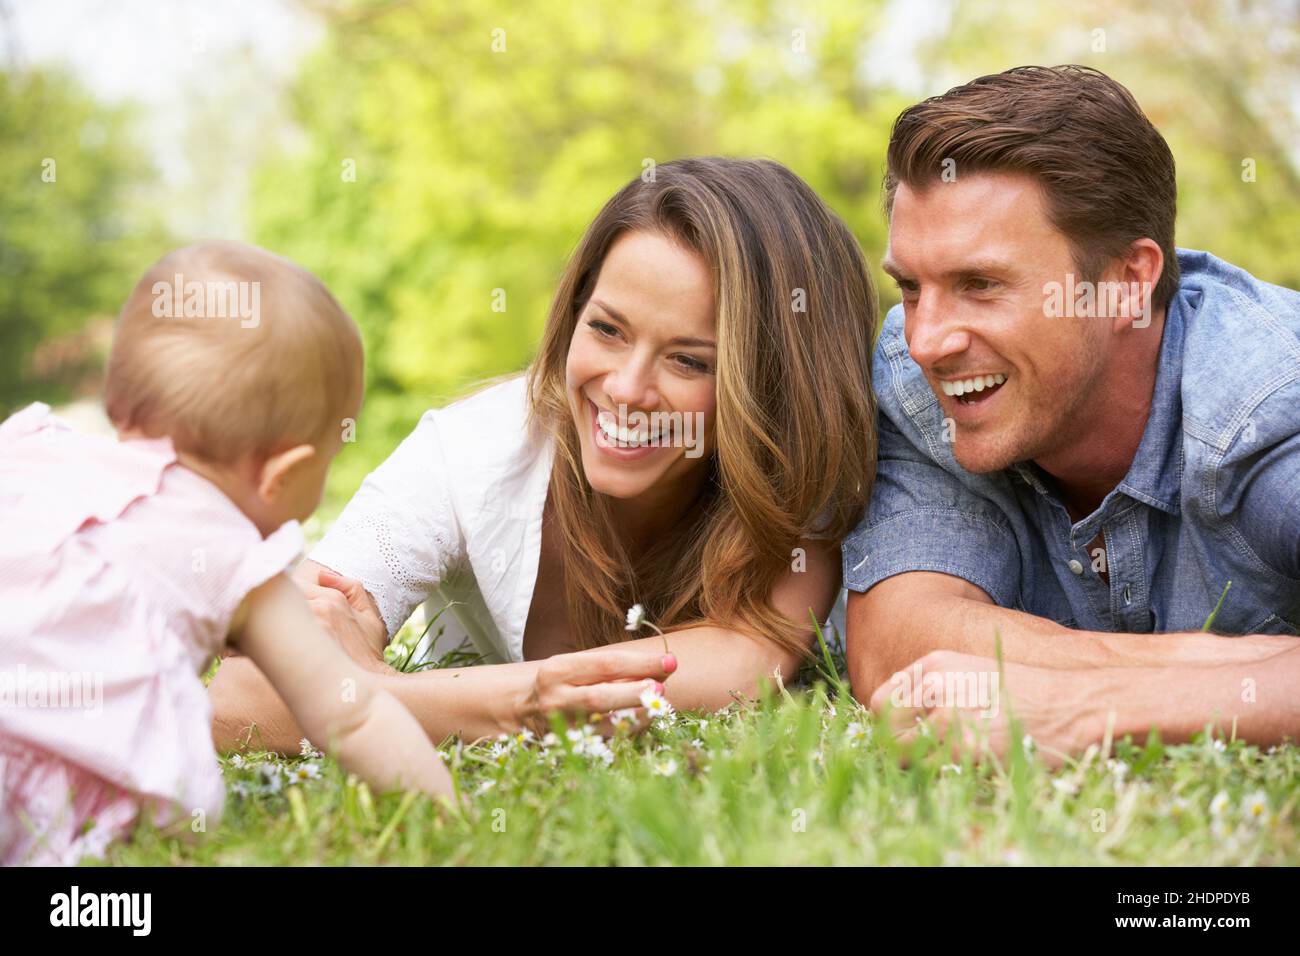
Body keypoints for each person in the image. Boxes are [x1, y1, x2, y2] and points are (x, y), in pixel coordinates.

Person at [210, 157, 878, 750]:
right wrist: (487, 702)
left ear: (773, 387)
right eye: (606, 329)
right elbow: (240, 700)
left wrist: (367, 691)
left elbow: (738, 669)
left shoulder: (798, 481)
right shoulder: (470, 452)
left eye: (688, 360)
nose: (625, 390)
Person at [845, 65, 1300, 761]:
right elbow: (896, 645)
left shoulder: (1265, 409)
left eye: (980, 285)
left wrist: (1091, 709)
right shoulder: (919, 387)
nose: (927, 341)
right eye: (911, 287)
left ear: (1125, 283)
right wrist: (1233, 673)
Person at [0, 241, 452, 866]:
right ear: (285, 473)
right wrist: (445, 814)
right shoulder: (239, 560)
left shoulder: (33, 450)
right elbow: (354, 715)